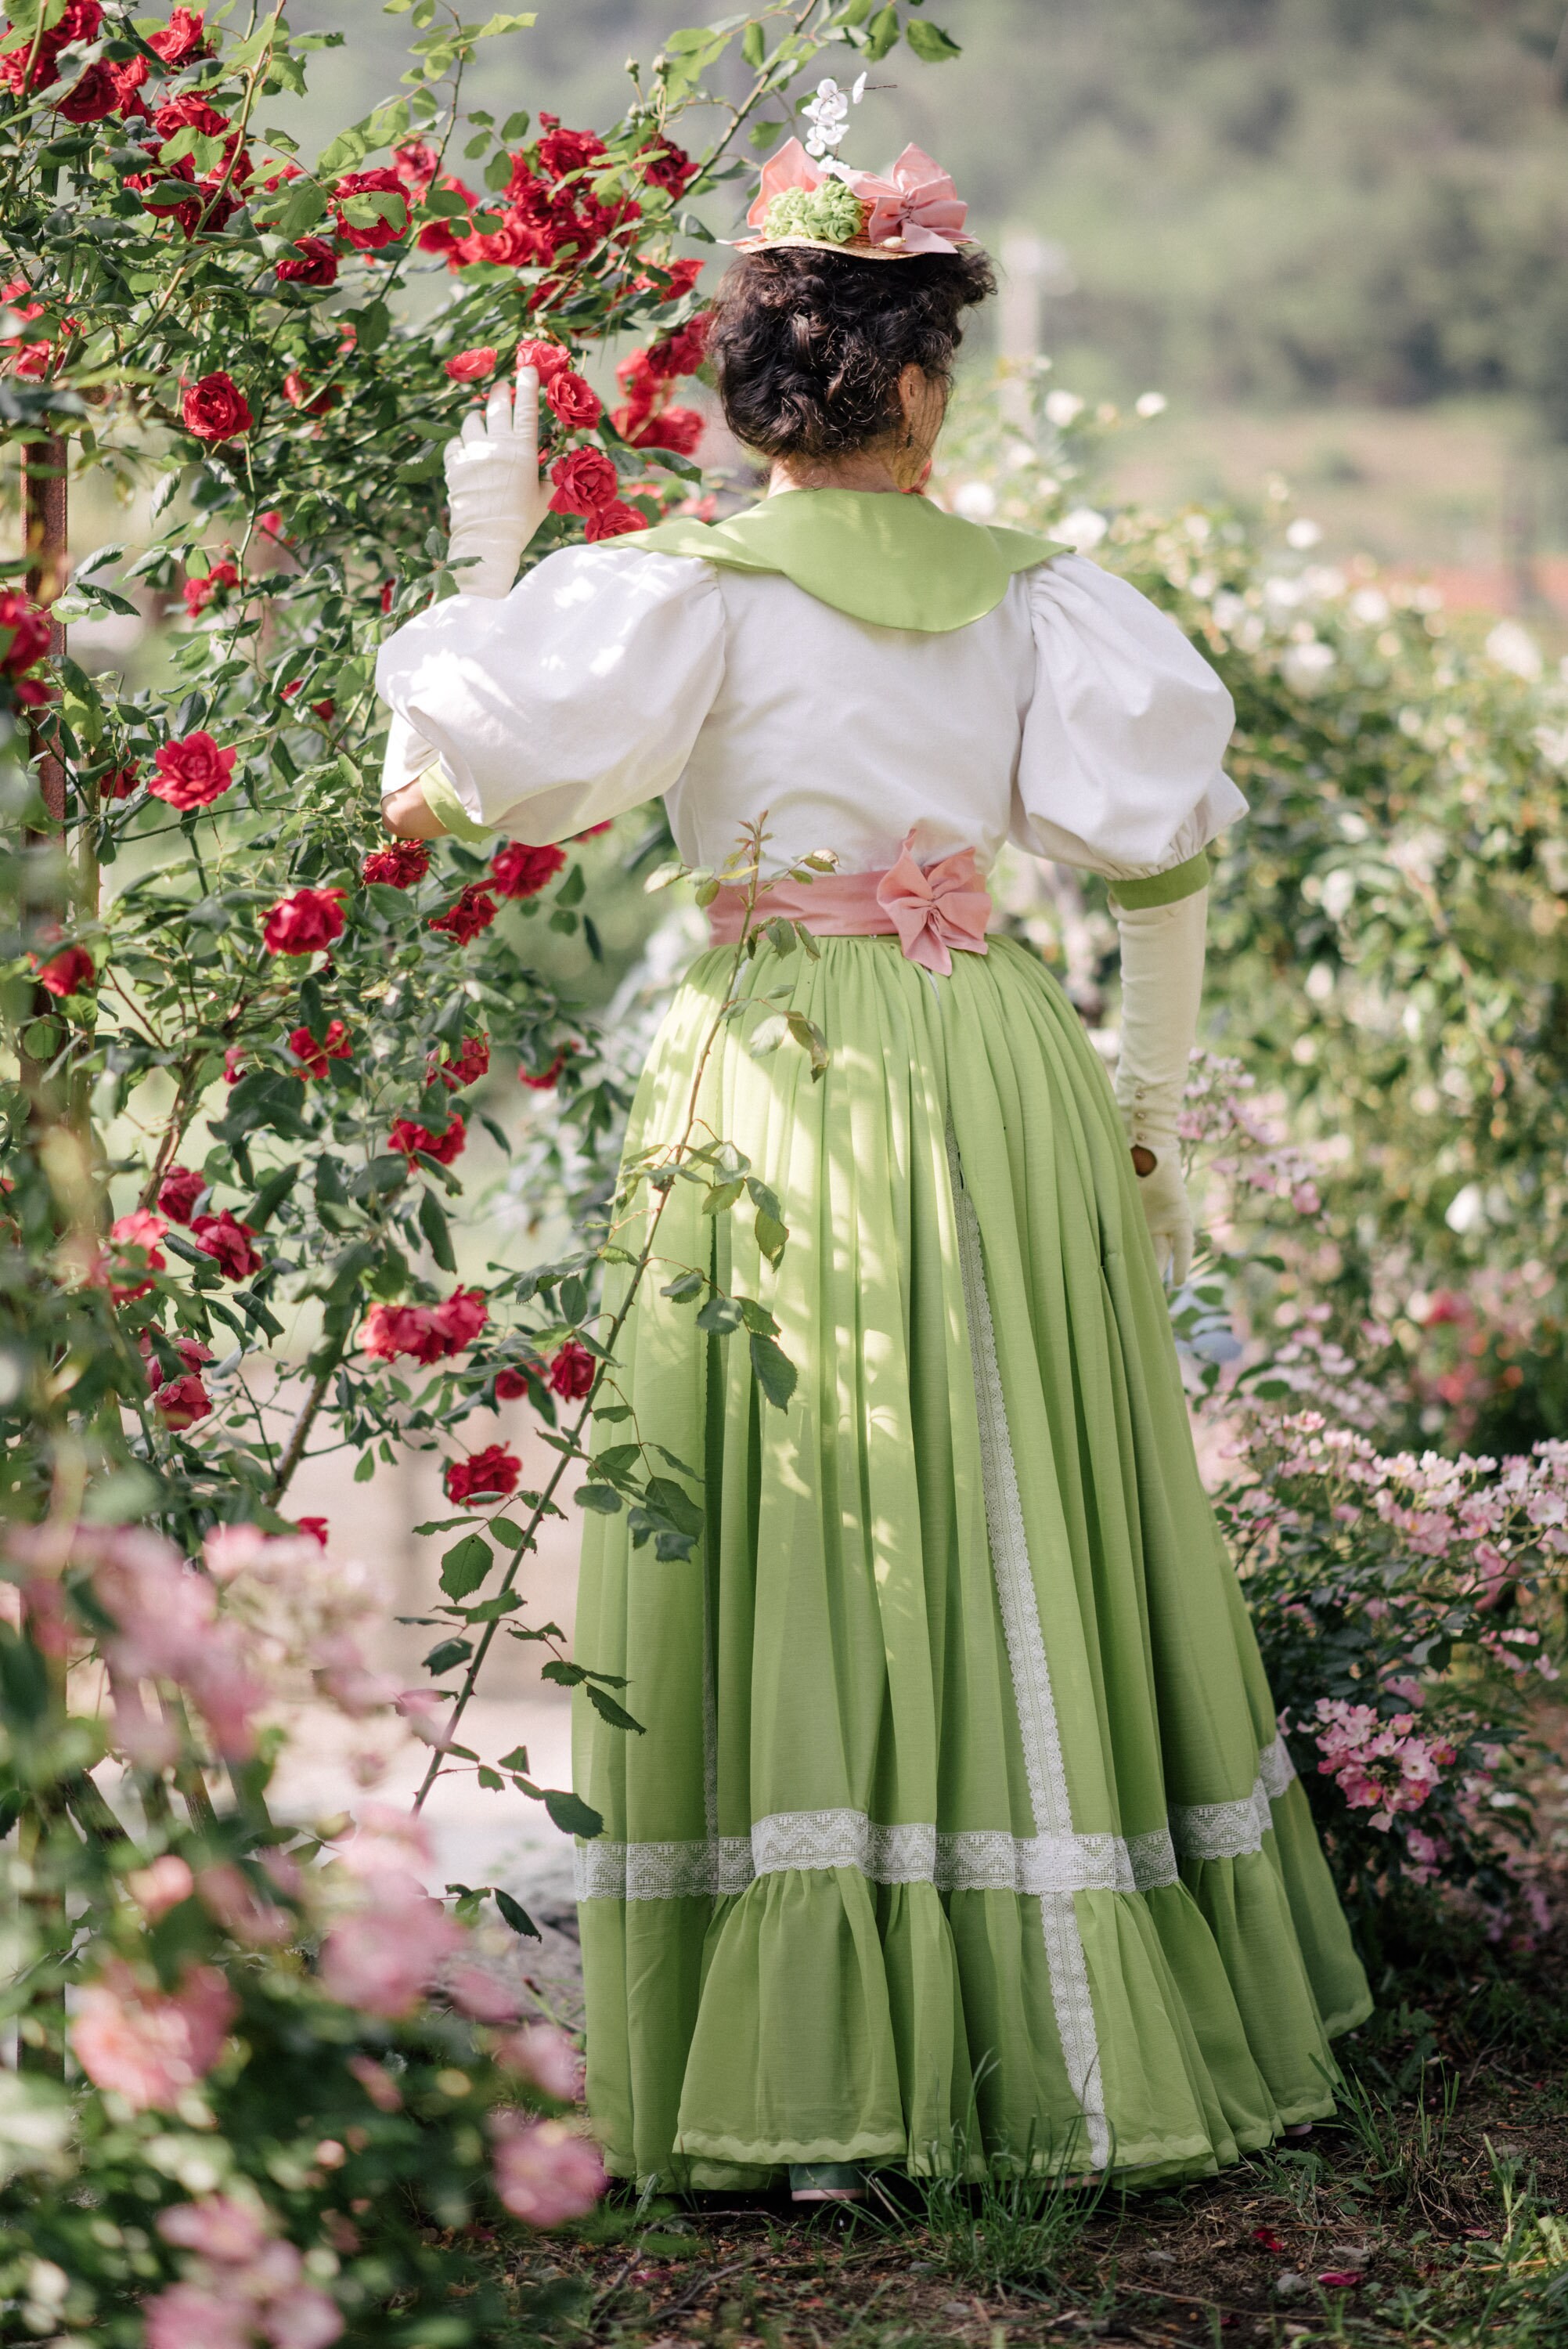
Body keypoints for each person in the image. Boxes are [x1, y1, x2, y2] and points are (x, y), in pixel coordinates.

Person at [377, 121, 1370, 2201]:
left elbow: (462, 775)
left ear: (764, 379)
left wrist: (481, 545)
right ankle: (1046, 2039)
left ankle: (827, 2078)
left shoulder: (672, 598)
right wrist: (1153, 1118)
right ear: (923, 376)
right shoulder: (1050, 605)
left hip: (772, 1070)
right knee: (1004, 1486)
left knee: (806, 1491)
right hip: (1000, 1069)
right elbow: (1163, 861)